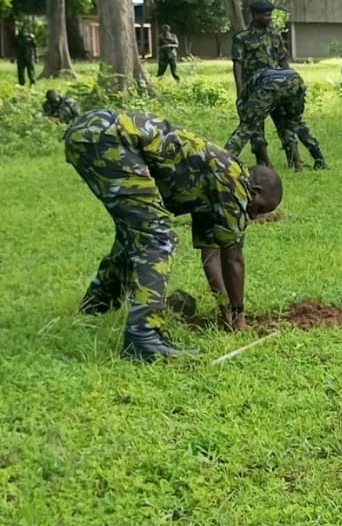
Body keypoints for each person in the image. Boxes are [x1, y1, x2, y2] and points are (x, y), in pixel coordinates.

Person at [56, 107, 282, 361]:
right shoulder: (235, 183)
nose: (252, 216)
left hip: (87, 133)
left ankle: (98, 304)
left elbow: (211, 256)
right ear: (256, 190)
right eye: (258, 209)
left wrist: (224, 308)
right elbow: (233, 258)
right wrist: (239, 314)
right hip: (111, 137)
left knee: (135, 231)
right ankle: (144, 337)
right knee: (157, 237)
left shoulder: (214, 187)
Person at [226, 66, 327, 170]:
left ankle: (223, 163)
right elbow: (286, 125)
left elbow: (254, 130)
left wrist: (264, 161)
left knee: (247, 127)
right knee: (295, 122)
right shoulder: (254, 87)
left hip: (270, 84)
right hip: (294, 80)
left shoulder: (243, 101)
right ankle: (316, 160)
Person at [231, 0, 289, 100]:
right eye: (266, 15)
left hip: (274, 83)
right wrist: (239, 89)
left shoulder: (275, 35)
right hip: (254, 85)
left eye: (270, 15)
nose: (270, 18)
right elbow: (238, 64)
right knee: (252, 115)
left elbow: (283, 59)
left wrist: (289, 78)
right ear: (256, 16)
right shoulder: (242, 37)